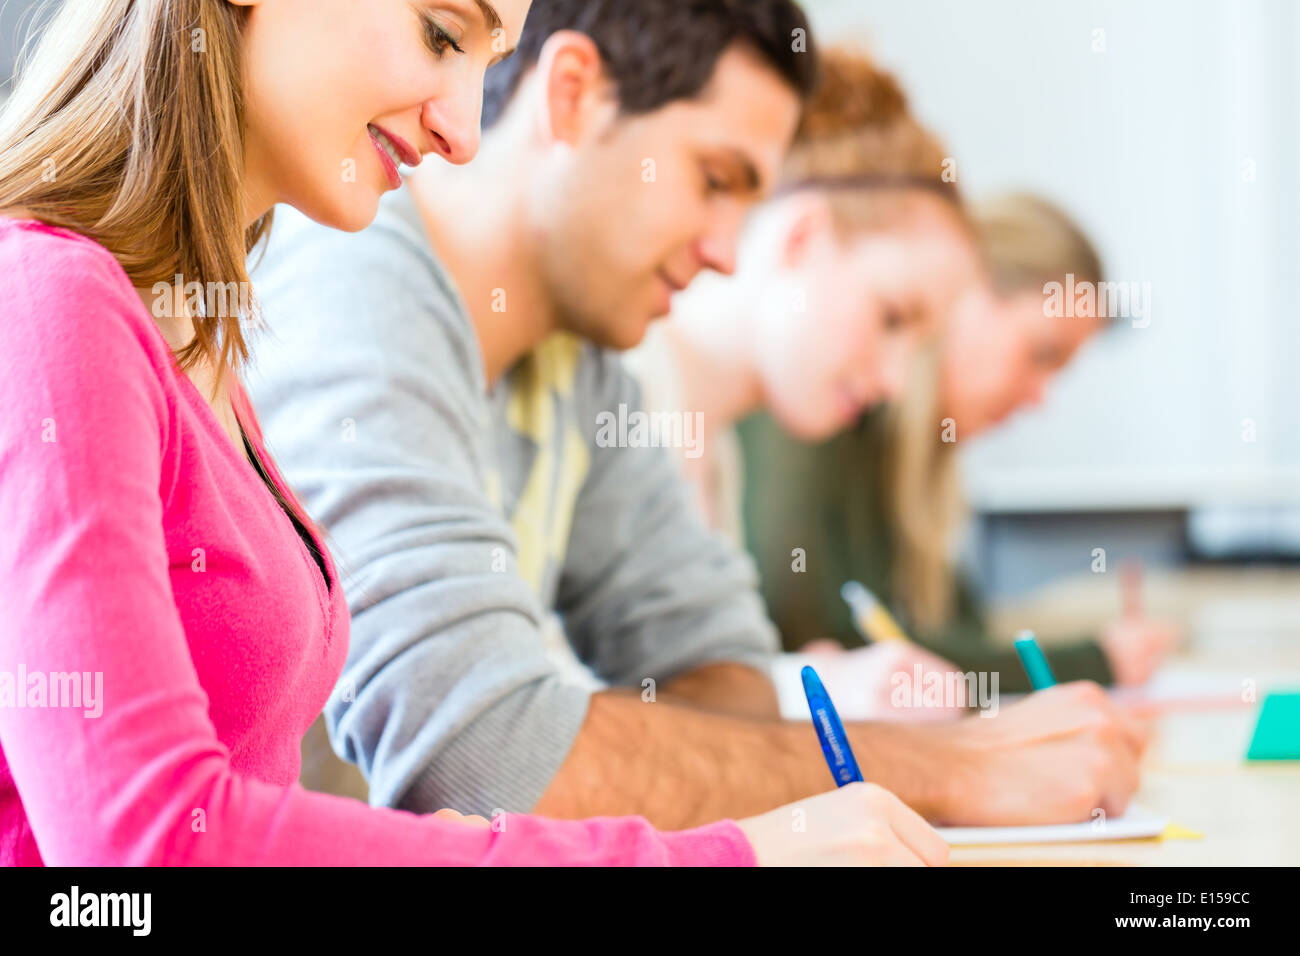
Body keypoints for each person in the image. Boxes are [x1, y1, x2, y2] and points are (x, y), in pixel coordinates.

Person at [0, 0, 950, 868]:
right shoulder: (51, 306)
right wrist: (729, 856)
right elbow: (143, 846)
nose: (462, 130)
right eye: (441, 35)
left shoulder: (196, 337)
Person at [249, 1, 1146, 831]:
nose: (725, 250)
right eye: (714, 179)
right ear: (572, 98)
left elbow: (723, 675)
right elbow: (479, 760)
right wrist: (947, 769)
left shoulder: (579, 360)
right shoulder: (349, 269)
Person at [738, 193, 1178, 692]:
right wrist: (1096, 662)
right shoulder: (819, 407)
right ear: (964, 295)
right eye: (1040, 354)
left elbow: (954, 639)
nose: (1039, 398)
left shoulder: (909, 470)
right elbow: (832, 643)